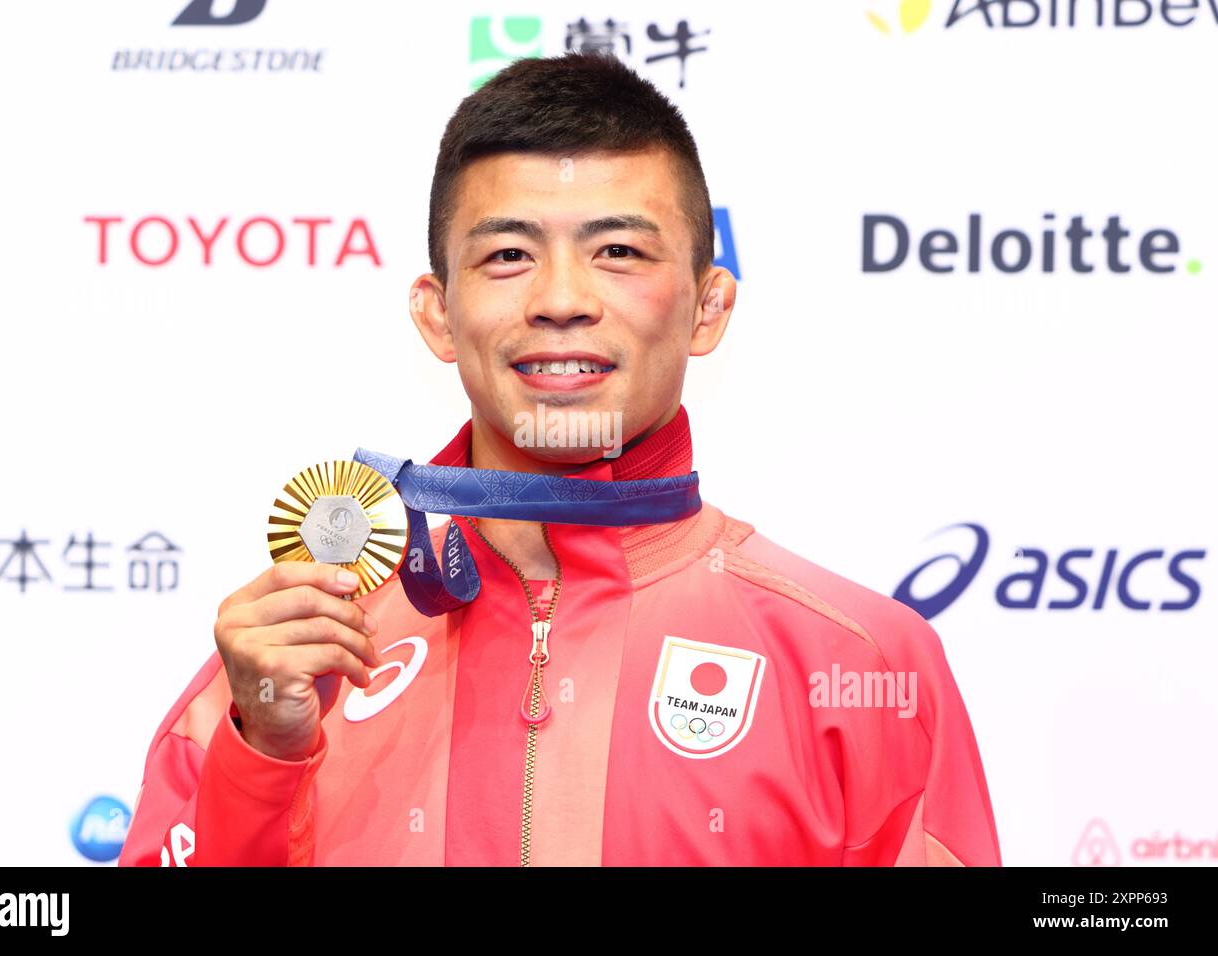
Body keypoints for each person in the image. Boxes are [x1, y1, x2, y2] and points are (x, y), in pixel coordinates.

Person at [118, 51, 1001, 867]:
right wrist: (262, 755)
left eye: (618, 251)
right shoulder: (289, 663)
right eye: (508, 255)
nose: (562, 299)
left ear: (708, 306)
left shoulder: (863, 667)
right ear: (436, 312)